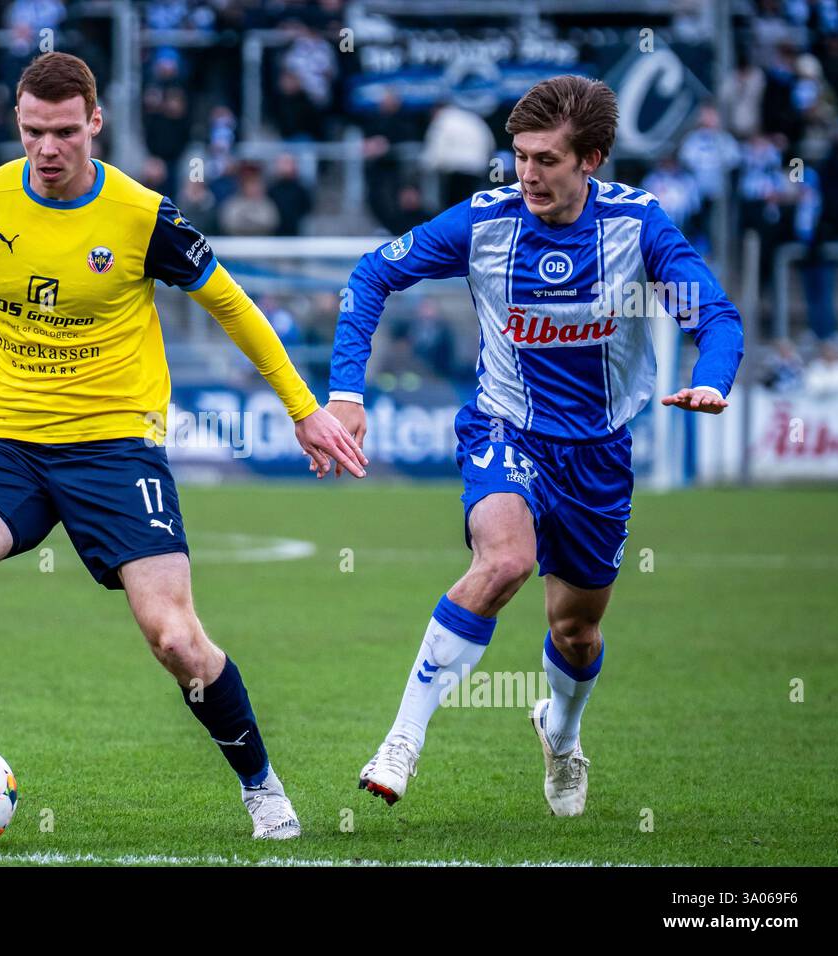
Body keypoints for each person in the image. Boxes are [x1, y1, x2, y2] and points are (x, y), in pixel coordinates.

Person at [0, 52, 365, 841]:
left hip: (117, 450)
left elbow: (232, 305)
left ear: (95, 124)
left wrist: (303, 407)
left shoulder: (142, 215)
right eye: (35, 131)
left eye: (66, 132)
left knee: (177, 639)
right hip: (11, 442)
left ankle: (262, 788)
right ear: (18, 122)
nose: (48, 148)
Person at [326, 75, 744, 817]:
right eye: (519, 156)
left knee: (577, 630)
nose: (527, 174)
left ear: (593, 158)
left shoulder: (638, 227)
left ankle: (561, 731)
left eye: (546, 159)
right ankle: (402, 739)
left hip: (598, 454)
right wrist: (347, 394)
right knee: (505, 560)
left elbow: (713, 314)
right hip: (503, 427)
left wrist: (713, 378)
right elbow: (371, 275)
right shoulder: (484, 223)